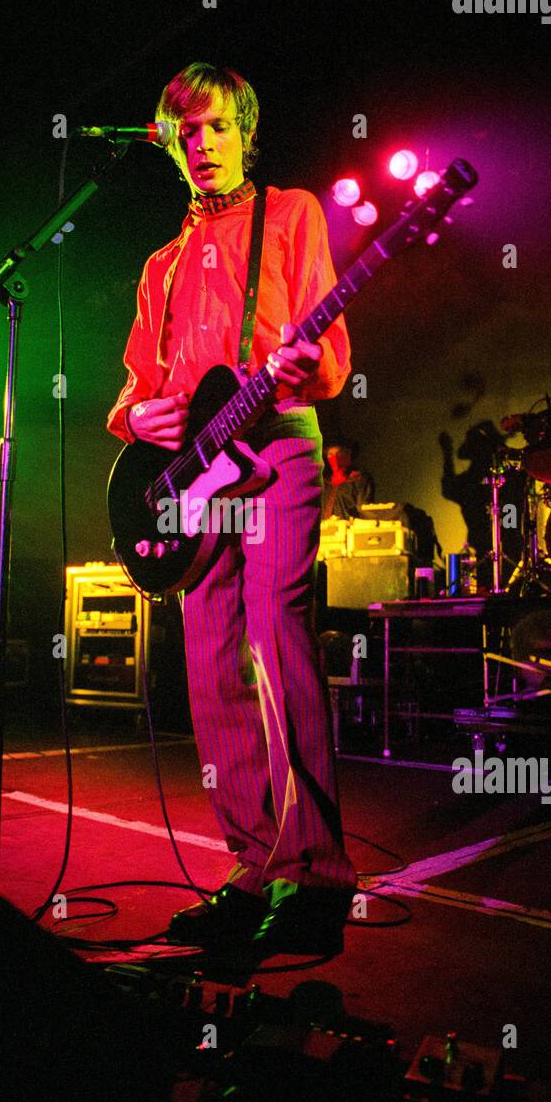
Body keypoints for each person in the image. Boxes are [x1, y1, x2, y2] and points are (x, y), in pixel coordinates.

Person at [107, 63, 358, 960]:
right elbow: (135, 388)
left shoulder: (291, 214)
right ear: (168, 146)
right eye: (186, 133)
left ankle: (316, 874)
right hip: (191, 476)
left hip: (277, 447)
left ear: (245, 131)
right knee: (211, 665)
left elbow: (328, 353)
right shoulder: (159, 264)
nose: (202, 145)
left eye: (216, 127)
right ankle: (254, 867)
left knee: (274, 638)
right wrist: (137, 416)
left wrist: (308, 368)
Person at [322, 439, 376, 519]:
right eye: (330, 454)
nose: (334, 458)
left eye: (339, 453)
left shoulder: (360, 479)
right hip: (325, 528)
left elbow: (365, 510)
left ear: (348, 455)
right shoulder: (324, 482)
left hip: (349, 528)